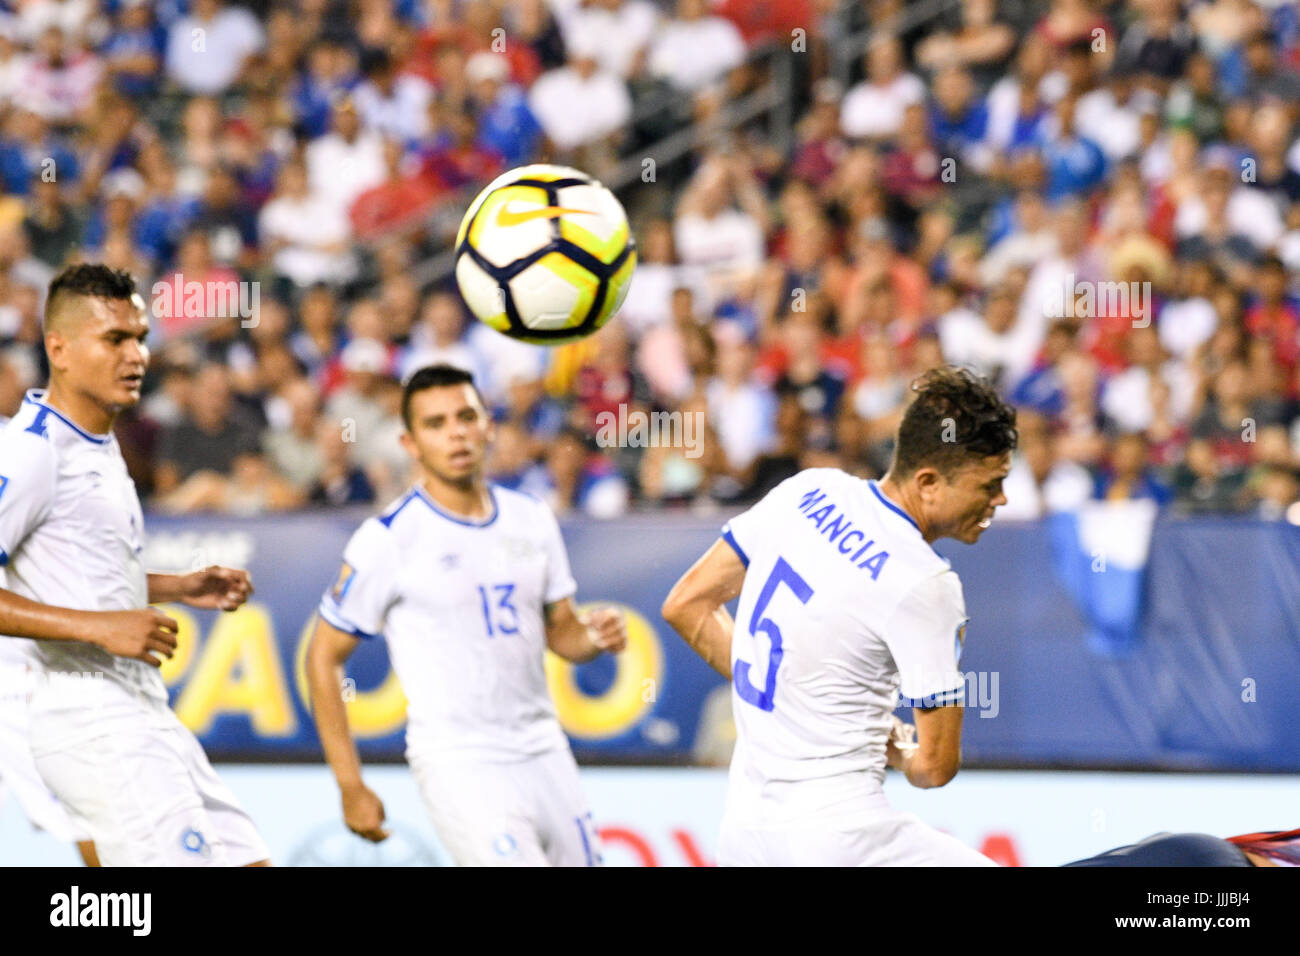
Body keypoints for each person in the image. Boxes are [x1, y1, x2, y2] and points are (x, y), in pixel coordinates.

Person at [662, 366, 1017, 866]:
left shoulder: (809, 490)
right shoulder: (925, 583)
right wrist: (899, 750)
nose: (1001, 498)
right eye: (991, 483)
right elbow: (934, 768)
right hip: (843, 840)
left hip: (743, 836)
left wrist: (797, 700)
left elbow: (687, 604)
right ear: (929, 482)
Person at [0, 264, 269, 866]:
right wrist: (100, 627)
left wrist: (178, 585)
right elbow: (90, 611)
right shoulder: (33, 452)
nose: (137, 355)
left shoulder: (98, 441)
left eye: (141, 337)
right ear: (58, 349)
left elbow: (79, 568)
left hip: (143, 709)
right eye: (114, 340)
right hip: (88, 718)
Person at [306, 364, 627, 866]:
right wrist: (350, 784)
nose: (454, 432)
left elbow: (561, 632)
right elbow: (323, 657)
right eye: (435, 424)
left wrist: (594, 635)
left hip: (545, 748)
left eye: (465, 416)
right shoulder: (389, 538)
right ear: (409, 443)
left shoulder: (532, 517)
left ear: (488, 425)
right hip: (460, 761)